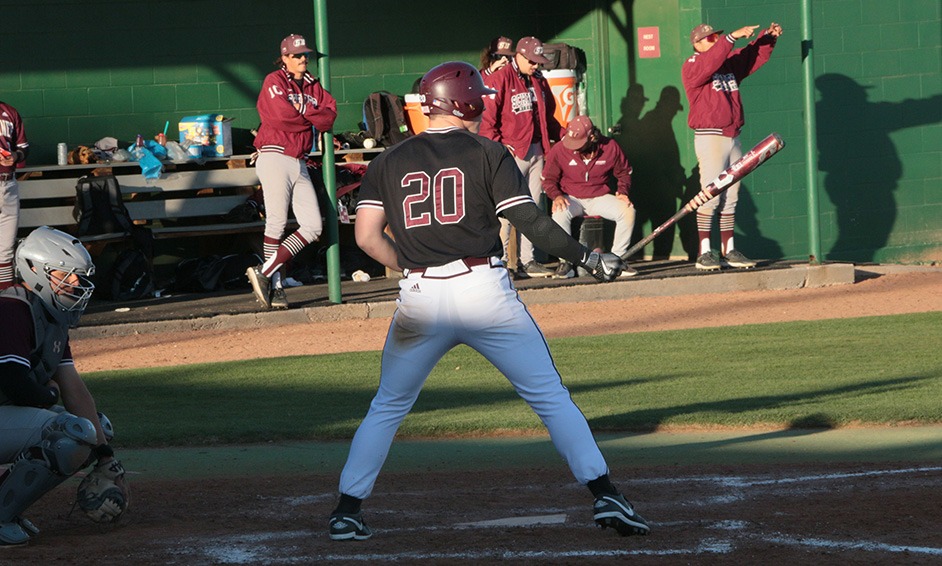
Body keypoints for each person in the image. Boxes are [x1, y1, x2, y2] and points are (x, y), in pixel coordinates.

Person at [327, 61, 649, 542]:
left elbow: (368, 238)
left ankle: (347, 511)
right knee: (548, 398)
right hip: (484, 292)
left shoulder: (388, 160)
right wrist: (588, 257)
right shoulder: (488, 152)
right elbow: (532, 224)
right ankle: (605, 494)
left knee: (388, 406)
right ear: (466, 102)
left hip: (418, 296)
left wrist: (415, 263)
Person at [0, 226, 128, 546]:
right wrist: (50, 396)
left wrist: (106, 458)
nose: (75, 283)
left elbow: (74, 389)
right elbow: (14, 382)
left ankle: (6, 507)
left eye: (77, 276)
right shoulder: (13, 306)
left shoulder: (49, 315)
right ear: (35, 270)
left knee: (96, 427)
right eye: (65, 275)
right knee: (70, 432)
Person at [681, 22, 782, 271]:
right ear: (696, 44)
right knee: (711, 195)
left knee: (731, 196)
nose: (714, 40)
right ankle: (704, 252)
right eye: (708, 38)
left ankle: (729, 250)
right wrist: (730, 38)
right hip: (710, 136)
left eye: (716, 36)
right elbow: (709, 64)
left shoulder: (725, 63)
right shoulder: (693, 64)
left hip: (732, 134)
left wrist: (766, 38)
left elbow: (750, 57)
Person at [246, 33, 337, 309]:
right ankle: (276, 289)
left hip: (298, 159)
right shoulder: (274, 81)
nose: (302, 59)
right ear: (284, 58)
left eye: (305, 55)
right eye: (297, 55)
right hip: (273, 155)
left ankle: (264, 271)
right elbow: (280, 118)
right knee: (276, 222)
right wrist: (309, 116)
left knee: (312, 226)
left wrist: (305, 114)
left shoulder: (313, 85)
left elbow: (330, 115)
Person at [481, 36, 563, 278]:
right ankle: (503, 263)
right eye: (532, 61)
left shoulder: (539, 80)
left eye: (539, 62)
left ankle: (529, 260)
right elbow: (487, 122)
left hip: (537, 150)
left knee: (533, 207)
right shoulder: (500, 78)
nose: (536, 66)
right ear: (519, 55)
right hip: (512, 152)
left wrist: (566, 137)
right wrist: (498, 146)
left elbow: (549, 119)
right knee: (507, 209)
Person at [542, 115, 638, 278]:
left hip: (599, 196)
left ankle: (616, 260)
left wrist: (623, 192)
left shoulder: (610, 146)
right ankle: (566, 263)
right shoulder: (560, 148)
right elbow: (548, 179)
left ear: (592, 137)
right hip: (571, 197)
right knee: (559, 212)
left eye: (579, 143)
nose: (574, 147)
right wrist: (556, 195)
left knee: (628, 211)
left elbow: (624, 172)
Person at [0, 101, 29, 291]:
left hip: (7, 183)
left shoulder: (9, 112)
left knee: (5, 250)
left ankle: (5, 299)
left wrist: (15, 156)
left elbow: (24, 149)